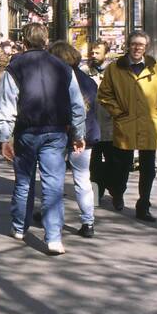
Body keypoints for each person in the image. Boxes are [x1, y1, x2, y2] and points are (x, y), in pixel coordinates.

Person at [0, 23, 87, 254]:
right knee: (53, 184)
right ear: (46, 41)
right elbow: (77, 104)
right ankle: (54, 237)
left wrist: (5, 137)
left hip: (27, 130)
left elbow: (6, 105)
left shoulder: (15, 66)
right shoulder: (63, 67)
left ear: (24, 42)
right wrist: (78, 133)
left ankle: (19, 226)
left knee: (24, 181)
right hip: (56, 131)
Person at [97, 30, 157, 222]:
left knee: (148, 169)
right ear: (128, 46)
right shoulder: (115, 68)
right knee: (121, 166)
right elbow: (105, 94)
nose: (137, 48)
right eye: (134, 44)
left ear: (146, 48)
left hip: (149, 124)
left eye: (141, 45)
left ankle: (143, 205)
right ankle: (118, 192)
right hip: (126, 123)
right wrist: (117, 113)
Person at [50, 41, 99, 238]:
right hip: (87, 134)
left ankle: (53, 216)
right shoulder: (88, 81)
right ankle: (88, 222)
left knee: (54, 177)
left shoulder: (59, 81)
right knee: (82, 179)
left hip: (61, 134)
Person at [85, 41, 115, 204]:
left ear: (106, 54)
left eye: (97, 53)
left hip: (110, 124)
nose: (93, 55)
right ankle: (96, 195)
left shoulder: (115, 72)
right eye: (92, 52)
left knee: (113, 162)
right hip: (92, 125)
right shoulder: (85, 71)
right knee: (93, 164)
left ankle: (116, 192)